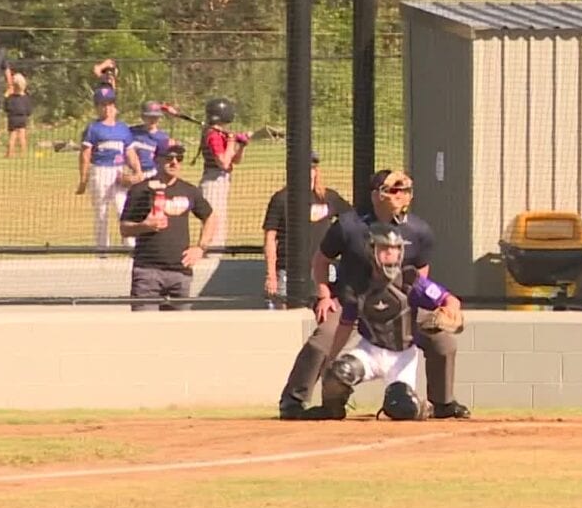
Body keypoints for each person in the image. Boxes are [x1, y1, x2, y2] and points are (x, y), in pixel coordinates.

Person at [279, 169, 470, 421]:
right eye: (392, 190)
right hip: (354, 300)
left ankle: (442, 403)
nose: (399, 195)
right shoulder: (349, 225)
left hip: (400, 305)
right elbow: (321, 261)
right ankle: (294, 401)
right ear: (375, 195)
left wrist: (443, 306)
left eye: (403, 190)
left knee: (442, 342)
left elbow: (423, 276)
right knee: (322, 339)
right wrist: (324, 295)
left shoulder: (419, 230)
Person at [318, 223, 465, 421]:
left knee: (402, 406)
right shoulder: (358, 285)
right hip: (370, 351)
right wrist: (331, 359)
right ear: (372, 251)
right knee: (338, 373)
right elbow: (346, 324)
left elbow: (448, 298)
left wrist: (451, 309)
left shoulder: (410, 280)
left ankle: (425, 408)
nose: (390, 254)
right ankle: (331, 411)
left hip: (402, 356)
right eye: (384, 249)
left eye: (395, 249)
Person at [119, 143, 217, 311]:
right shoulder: (140, 190)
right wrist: (145, 226)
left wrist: (201, 247)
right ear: (157, 160)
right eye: (169, 158)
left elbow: (210, 216)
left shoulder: (189, 190)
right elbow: (125, 228)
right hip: (147, 271)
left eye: (179, 159)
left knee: (178, 332)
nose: (174, 163)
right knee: (144, 329)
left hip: (181, 272)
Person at [261, 151, 351, 308]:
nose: (308, 174)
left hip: (322, 270)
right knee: (286, 315)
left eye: (311, 169)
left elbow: (352, 221)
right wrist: (271, 275)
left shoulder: (329, 197)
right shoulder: (281, 199)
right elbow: (270, 238)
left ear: (316, 171)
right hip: (289, 272)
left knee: (326, 313)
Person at [76, 84, 142, 251]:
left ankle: (130, 246)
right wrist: (83, 179)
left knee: (123, 208)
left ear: (115, 106)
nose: (107, 108)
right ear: (97, 107)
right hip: (100, 170)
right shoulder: (93, 128)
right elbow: (85, 154)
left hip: (119, 171)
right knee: (101, 212)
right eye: (102, 104)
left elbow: (130, 152)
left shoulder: (123, 128)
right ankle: (102, 249)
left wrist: (138, 170)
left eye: (110, 104)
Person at [198, 98, 250, 250]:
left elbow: (236, 160)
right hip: (213, 179)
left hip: (221, 179)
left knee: (220, 218)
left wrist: (241, 146)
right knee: (214, 219)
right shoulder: (213, 135)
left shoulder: (221, 134)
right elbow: (223, 162)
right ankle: (211, 251)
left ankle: (215, 251)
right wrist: (232, 141)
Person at [130, 101, 174, 181]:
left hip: (154, 173)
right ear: (143, 117)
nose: (152, 120)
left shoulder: (163, 137)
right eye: (149, 116)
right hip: (134, 173)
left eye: (155, 117)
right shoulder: (132, 132)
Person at [3, 72, 33, 158]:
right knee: (22, 136)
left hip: (13, 118)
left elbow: (6, 108)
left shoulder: (10, 98)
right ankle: (24, 153)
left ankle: (9, 153)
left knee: (12, 136)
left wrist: (6, 95)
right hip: (22, 118)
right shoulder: (26, 97)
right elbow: (29, 110)